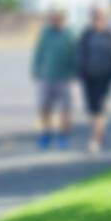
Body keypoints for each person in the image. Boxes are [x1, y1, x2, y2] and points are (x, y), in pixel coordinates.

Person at [76, 7, 111, 155]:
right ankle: (97, 134)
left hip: (104, 77)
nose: (98, 21)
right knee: (91, 109)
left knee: (99, 108)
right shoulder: (87, 34)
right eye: (96, 18)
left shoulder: (110, 35)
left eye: (101, 18)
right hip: (88, 77)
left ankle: (96, 139)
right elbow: (80, 53)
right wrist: (79, 71)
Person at [31, 8, 75, 149]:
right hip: (46, 77)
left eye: (59, 18)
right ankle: (46, 134)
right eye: (54, 18)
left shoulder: (69, 34)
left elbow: (75, 55)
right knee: (44, 108)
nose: (56, 20)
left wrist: (73, 72)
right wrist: (36, 70)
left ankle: (64, 136)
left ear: (64, 19)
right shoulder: (46, 33)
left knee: (65, 109)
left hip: (63, 78)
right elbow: (39, 52)